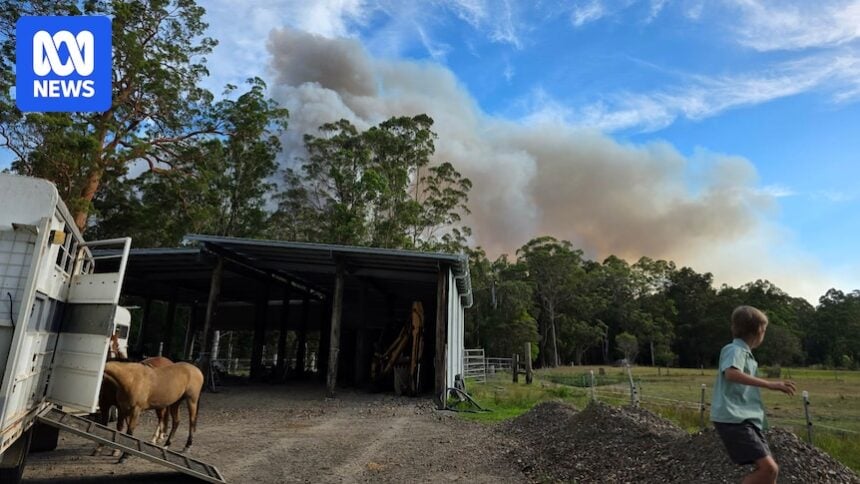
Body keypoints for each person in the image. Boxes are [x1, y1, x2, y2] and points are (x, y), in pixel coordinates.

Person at [711, 305, 797, 484]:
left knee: (770, 472)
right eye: (764, 330)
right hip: (733, 419)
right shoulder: (734, 350)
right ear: (759, 331)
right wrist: (770, 384)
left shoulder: (745, 354)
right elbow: (731, 373)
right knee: (769, 469)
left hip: (744, 419)